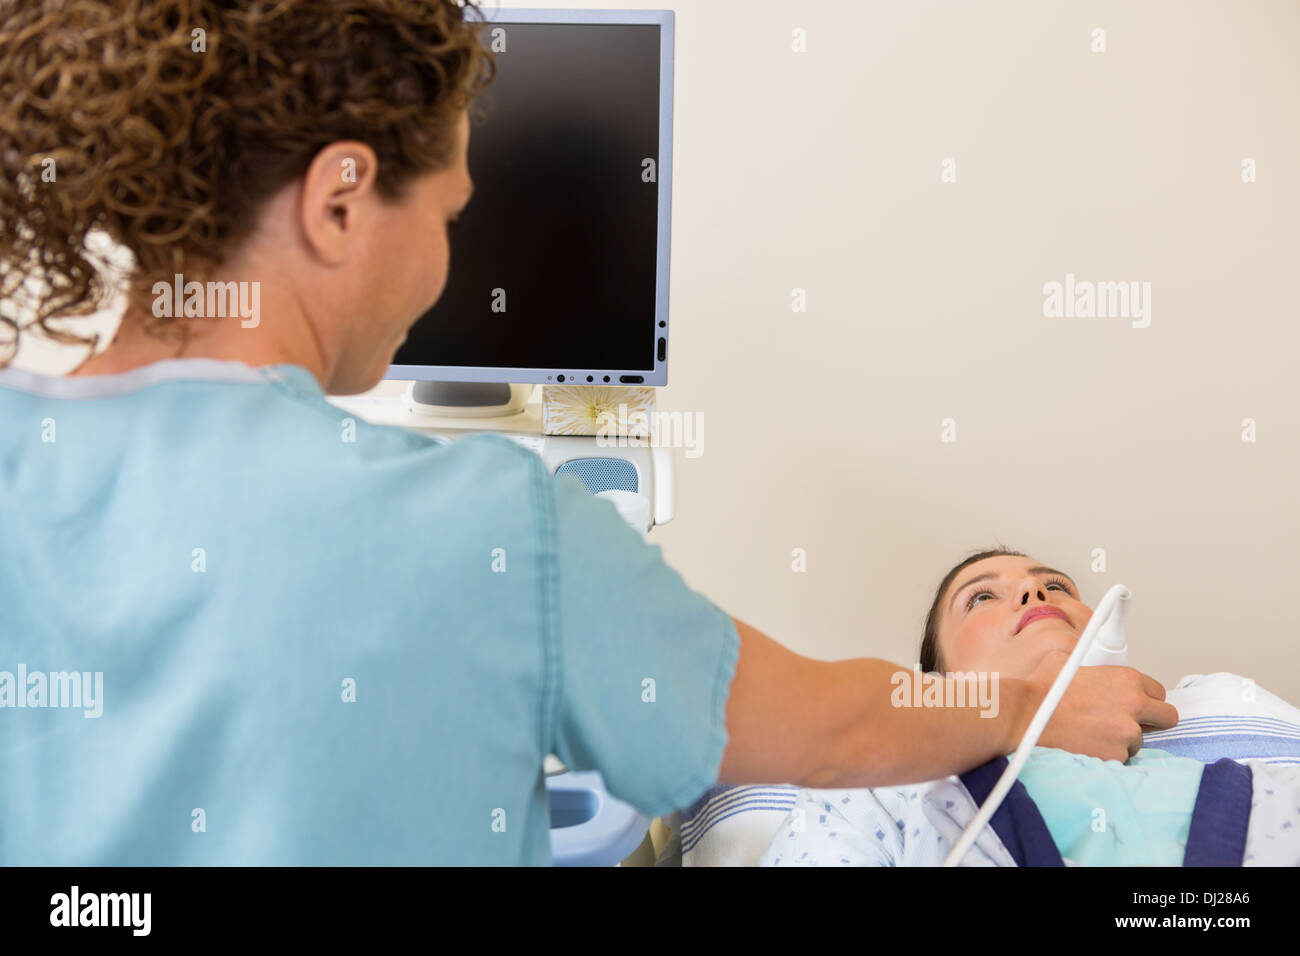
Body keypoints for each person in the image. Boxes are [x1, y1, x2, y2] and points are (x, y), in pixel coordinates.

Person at [0, 0, 1175, 865]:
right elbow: (833, 725)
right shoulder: (493, 529)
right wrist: (1032, 705)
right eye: (453, 212)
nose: (448, 265)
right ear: (341, 198)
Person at [758, 549, 1300, 866]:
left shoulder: (1240, 775)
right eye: (981, 597)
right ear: (938, 681)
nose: (1034, 595)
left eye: (1056, 585)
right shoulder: (884, 782)